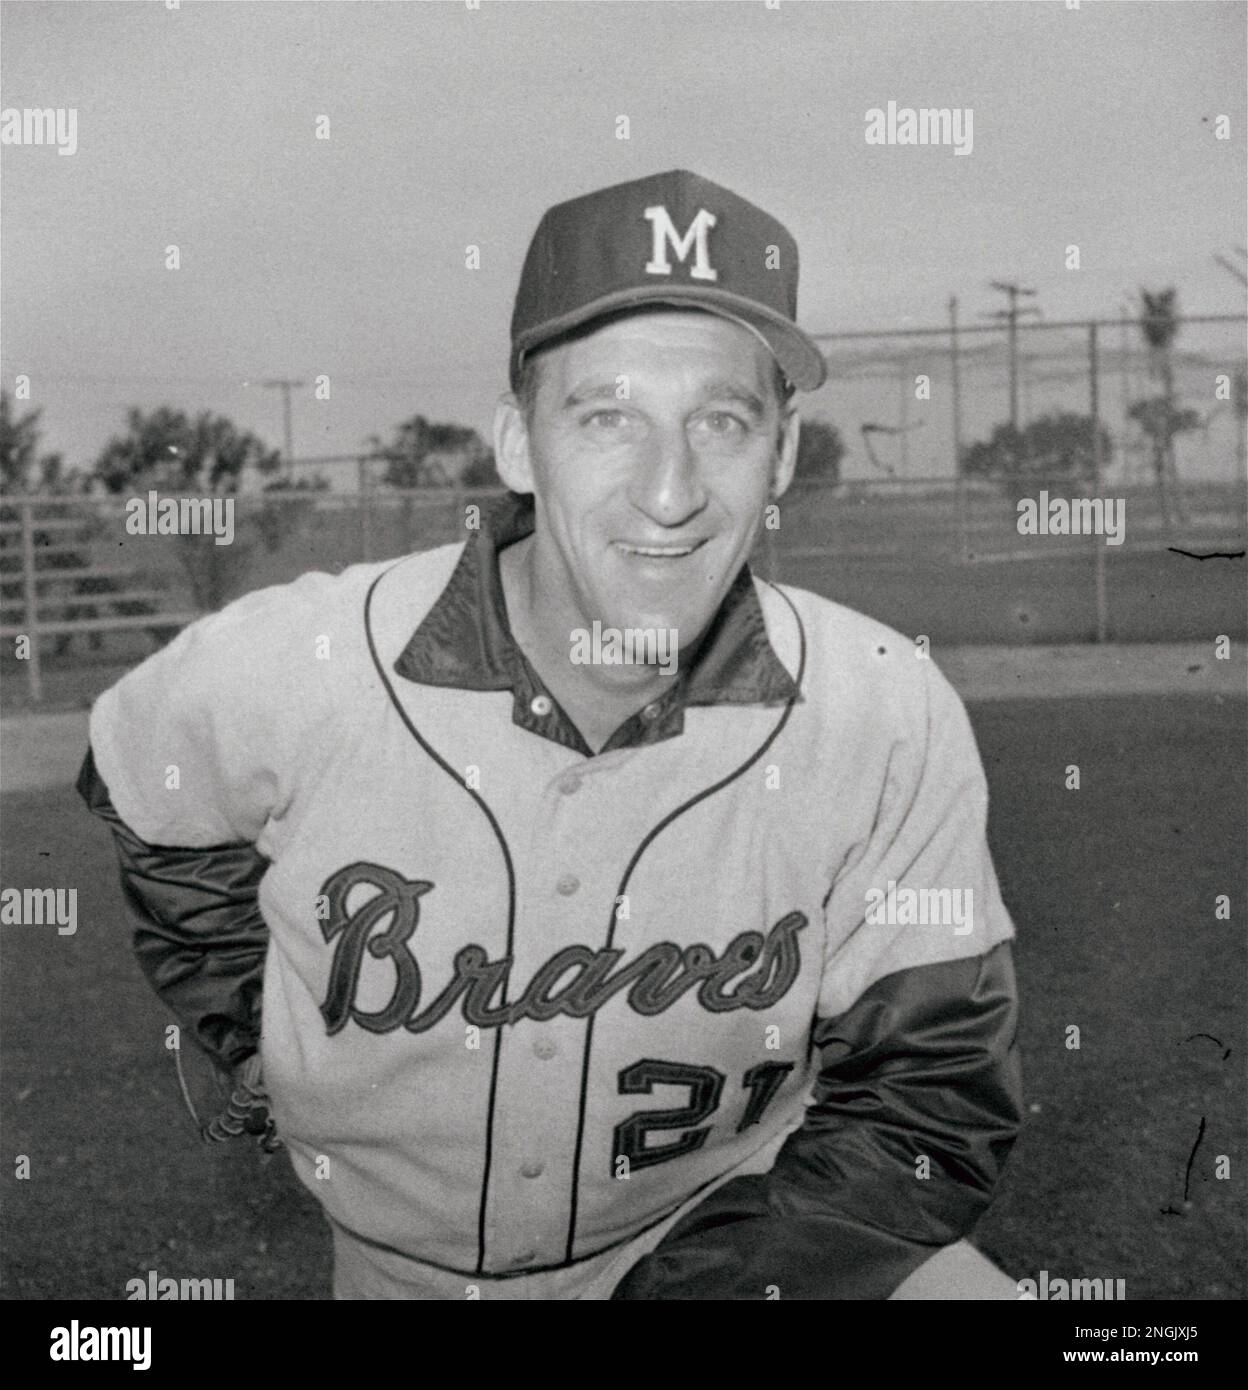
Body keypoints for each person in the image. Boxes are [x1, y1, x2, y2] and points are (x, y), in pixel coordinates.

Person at [80, 168, 1022, 1300]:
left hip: (740, 1231)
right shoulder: (294, 662)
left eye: (722, 421)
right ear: (519, 443)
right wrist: (252, 1025)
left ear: (781, 456)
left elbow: (929, 1099)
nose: (669, 491)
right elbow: (144, 785)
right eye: (608, 416)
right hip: (404, 1270)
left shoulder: (883, 707)